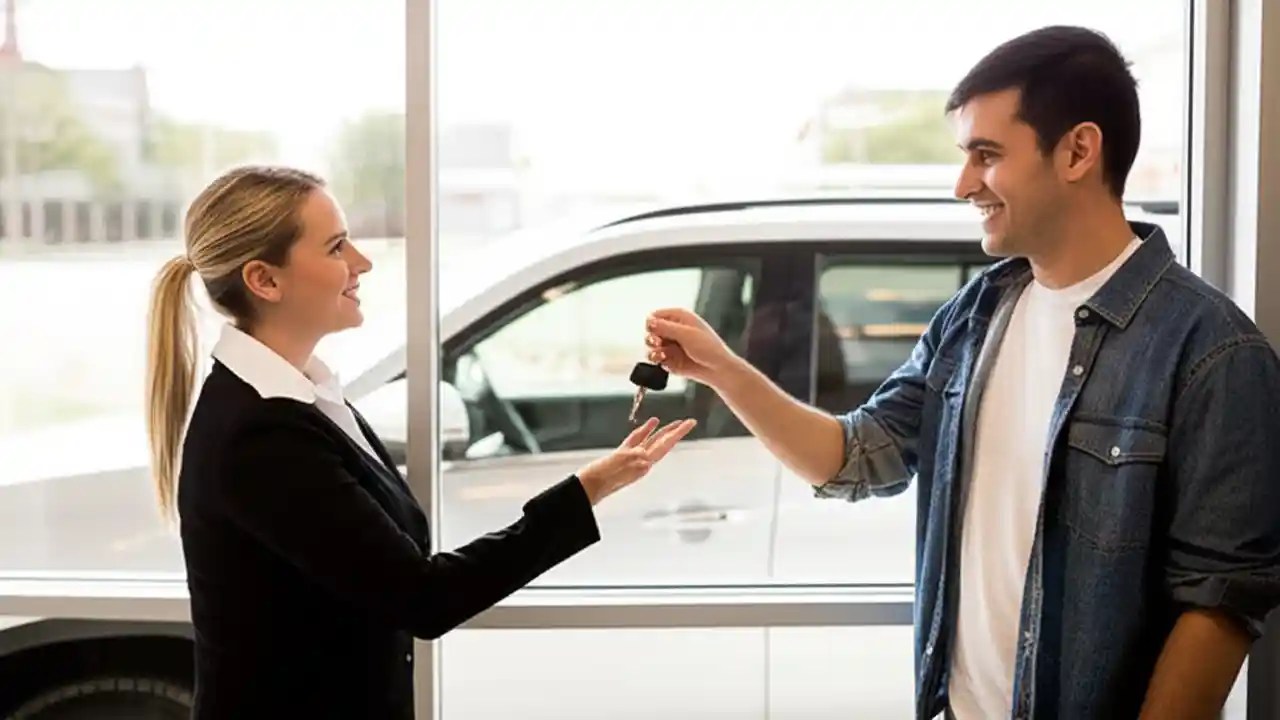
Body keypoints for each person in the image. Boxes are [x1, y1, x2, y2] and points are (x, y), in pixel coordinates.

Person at [645, 25, 1280, 720]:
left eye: (986, 155)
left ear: (1077, 150)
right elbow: (857, 457)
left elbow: (1218, 607)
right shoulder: (976, 316)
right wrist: (724, 370)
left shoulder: (1213, 352)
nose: (962, 184)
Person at [144, 164, 696, 719]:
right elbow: (423, 598)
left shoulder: (301, 397)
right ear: (265, 280)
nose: (361, 263)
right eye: (336, 248)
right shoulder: (259, 437)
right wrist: (588, 489)